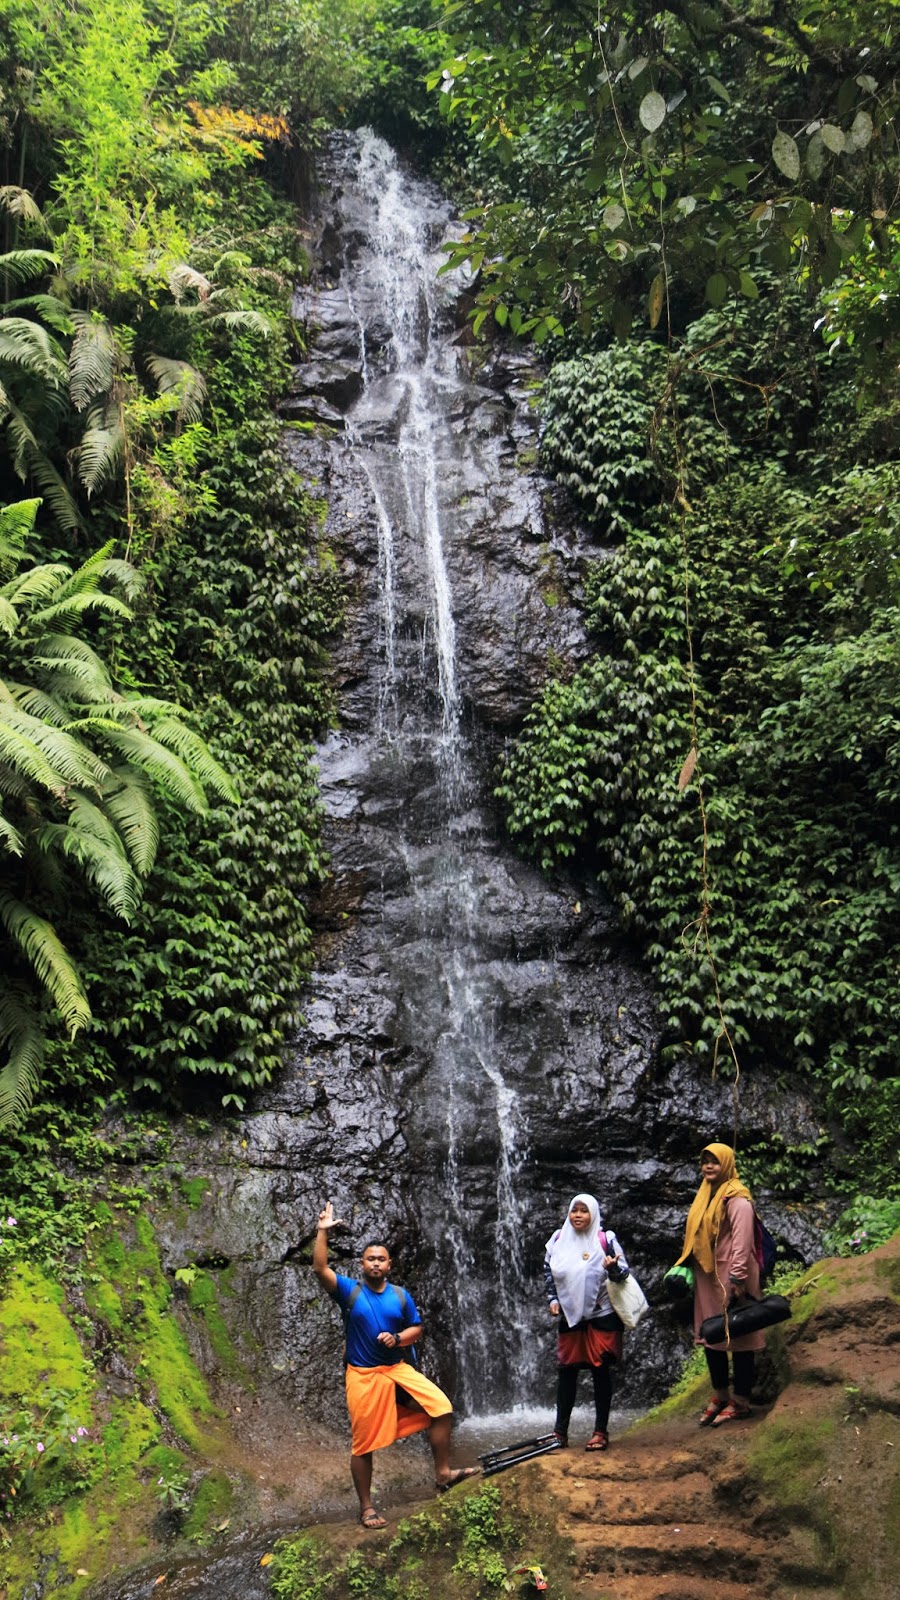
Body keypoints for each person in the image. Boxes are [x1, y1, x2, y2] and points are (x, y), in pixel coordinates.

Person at [313, 1201, 478, 1527]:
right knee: (363, 1442)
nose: (375, 1263)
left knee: (441, 1408)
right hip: (362, 1374)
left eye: (381, 1259)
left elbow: (416, 1328)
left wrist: (398, 1339)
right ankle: (366, 1507)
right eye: (370, 1258)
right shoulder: (350, 1291)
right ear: (362, 1264)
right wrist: (322, 1232)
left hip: (397, 1370)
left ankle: (443, 1473)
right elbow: (320, 1269)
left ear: (389, 1265)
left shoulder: (401, 1295)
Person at [675, 1142, 764, 1426]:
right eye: (705, 1161)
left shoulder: (737, 1196)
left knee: (740, 1337)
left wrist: (737, 1278)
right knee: (711, 1336)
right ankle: (720, 1394)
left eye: (714, 1161)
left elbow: (743, 1239)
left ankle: (741, 1401)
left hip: (731, 1276)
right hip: (707, 1275)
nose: (708, 1166)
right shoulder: (705, 1195)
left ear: (726, 1163)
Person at [544, 1192, 631, 1452]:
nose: (578, 1215)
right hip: (571, 1314)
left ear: (593, 1214)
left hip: (601, 1313)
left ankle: (600, 1431)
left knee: (600, 1371)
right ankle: (560, 1432)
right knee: (566, 1372)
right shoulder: (558, 1240)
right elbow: (549, 1269)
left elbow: (623, 1273)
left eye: (583, 1211)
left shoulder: (606, 1239)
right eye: (574, 1210)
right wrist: (552, 1298)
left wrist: (612, 1269)